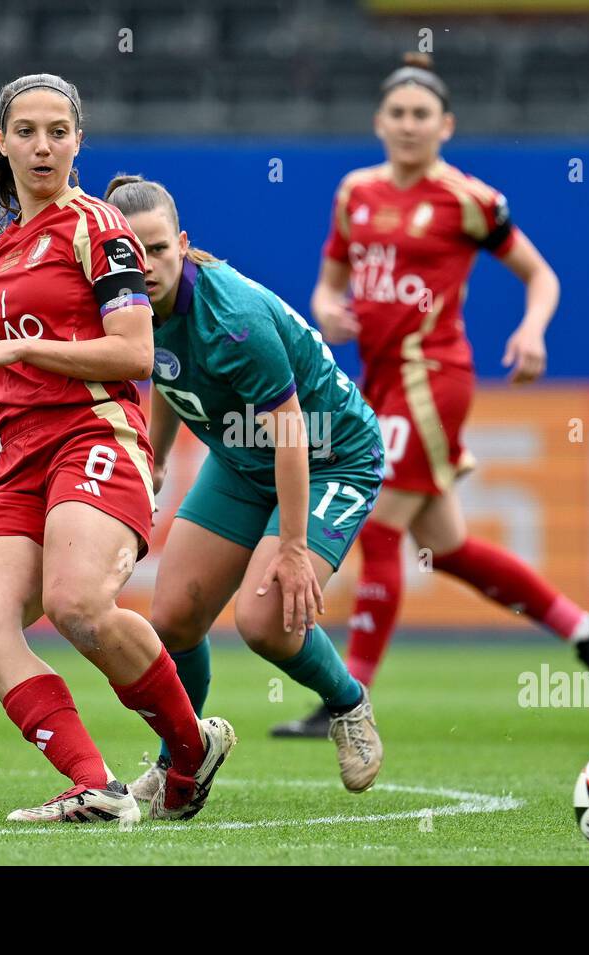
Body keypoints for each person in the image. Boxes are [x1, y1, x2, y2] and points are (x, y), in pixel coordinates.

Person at [274, 53, 589, 738]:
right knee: (448, 543)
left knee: (375, 524)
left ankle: (349, 699)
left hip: (433, 379)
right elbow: (328, 281)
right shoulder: (355, 192)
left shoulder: (469, 199)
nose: (409, 126)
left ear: (446, 125)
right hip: (377, 381)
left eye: (422, 115)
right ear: (380, 121)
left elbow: (541, 274)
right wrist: (329, 307)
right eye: (398, 114)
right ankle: (588, 630)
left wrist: (532, 330)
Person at [0, 73, 233, 823]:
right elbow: (20, 390)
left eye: (59, 132)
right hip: (21, 461)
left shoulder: (98, 227)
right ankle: (94, 783)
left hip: (97, 435)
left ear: (78, 141)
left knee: (78, 604)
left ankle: (188, 749)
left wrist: (20, 349)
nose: (43, 146)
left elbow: (135, 354)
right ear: (1, 142)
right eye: (27, 131)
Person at [103, 175, 385, 798]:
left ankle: (348, 704)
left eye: (158, 250)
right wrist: (156, 458)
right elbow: (170, 376)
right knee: (173, 620)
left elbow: (291, 434)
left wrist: (291, 545)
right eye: (131, 254)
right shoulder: (129, 309)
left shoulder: (233, 320)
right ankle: (182, 758)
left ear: (182, 244)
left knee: (265, 623)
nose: (146, 267)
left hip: (331, 455)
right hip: (242, 460)